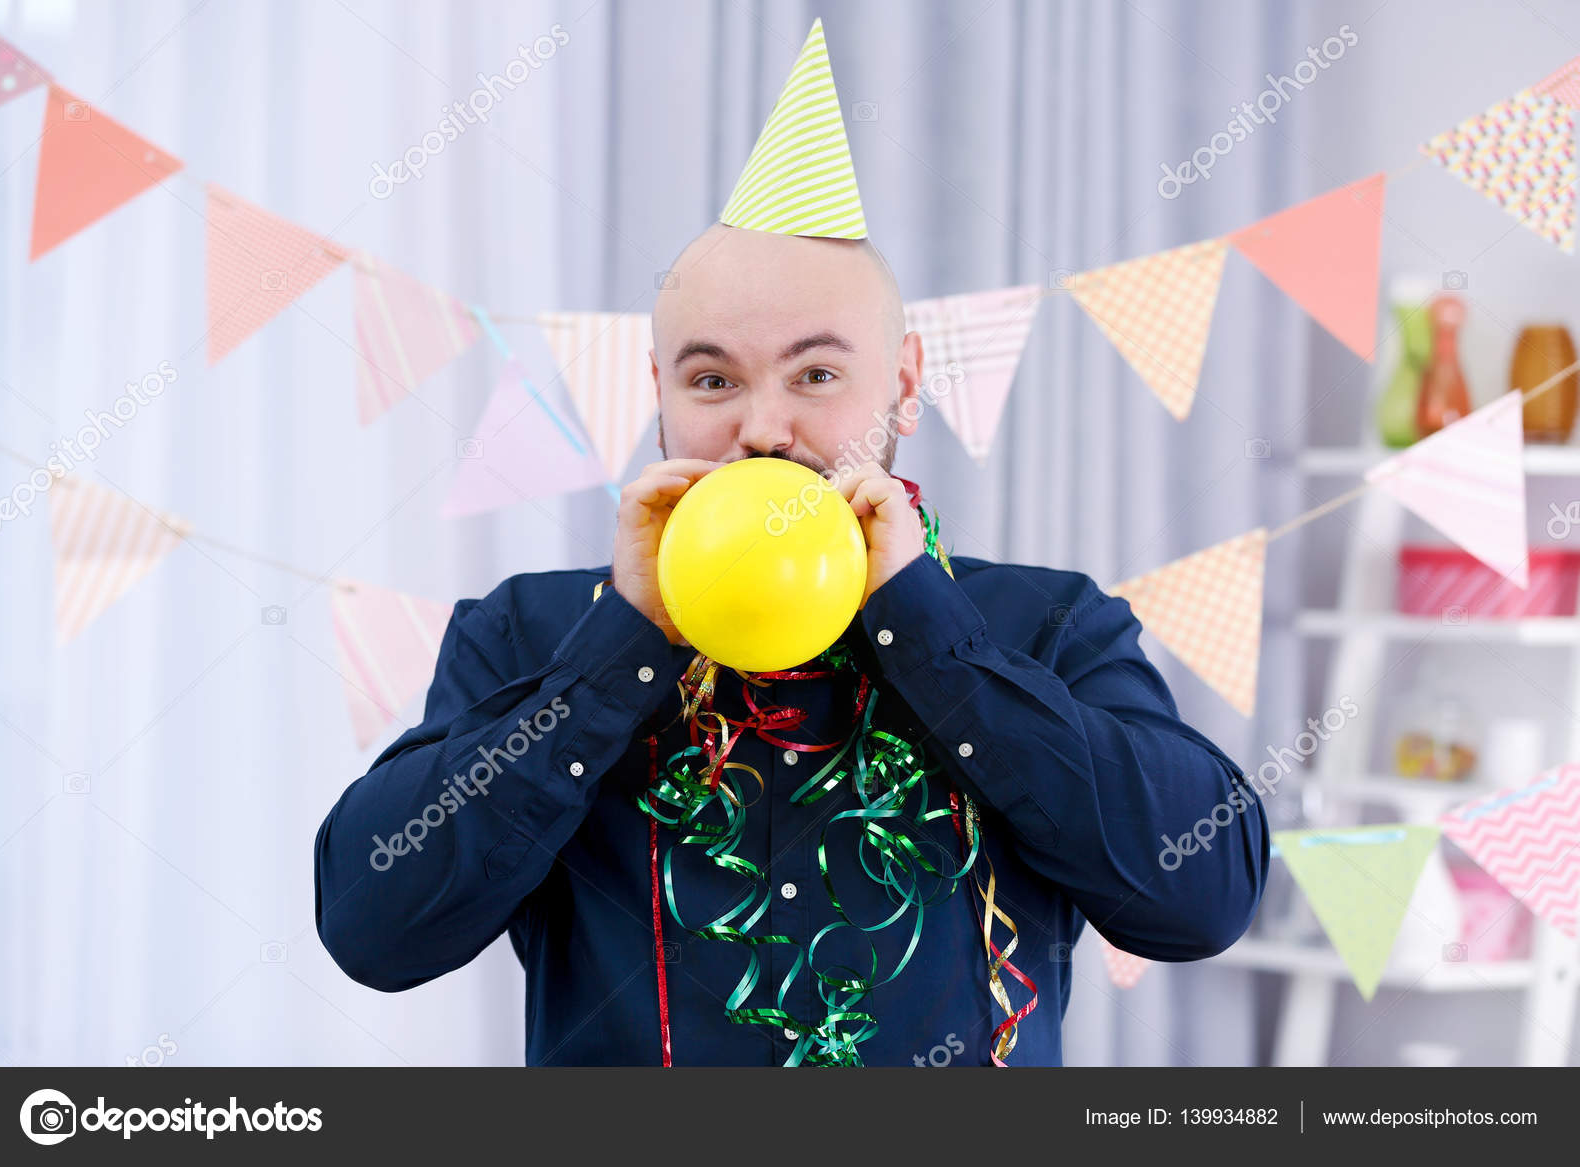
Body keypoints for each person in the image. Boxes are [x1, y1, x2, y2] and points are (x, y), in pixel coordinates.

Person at [313, 219, 1270, 1067]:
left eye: (816, 374)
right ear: (660, 395)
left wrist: (929, 632)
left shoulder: (1050, 623)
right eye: (713, 378)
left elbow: (1204, 898)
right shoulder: (528, 631)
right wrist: (622, 649)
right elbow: (373, 929)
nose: (763, 429)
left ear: (902, 384)